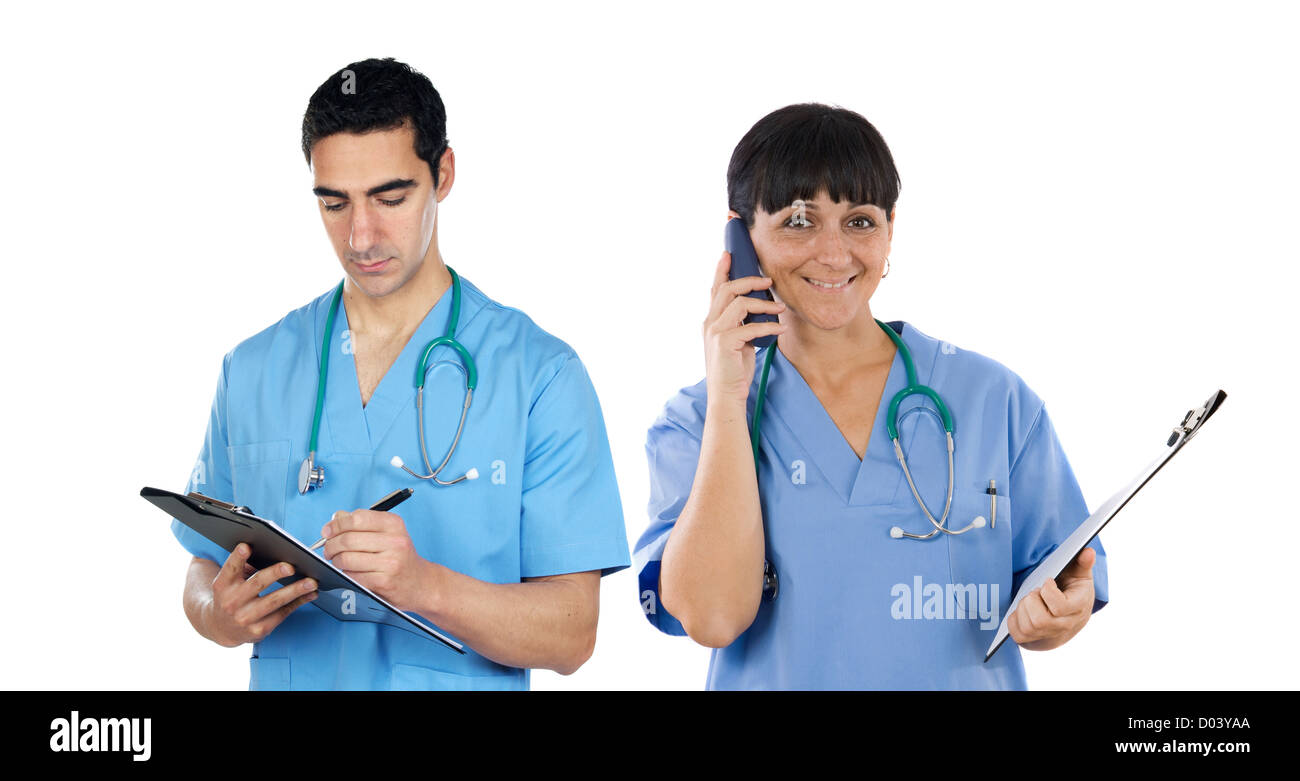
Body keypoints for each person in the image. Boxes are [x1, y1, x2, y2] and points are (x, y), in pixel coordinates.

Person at [171, 58, 630, 690]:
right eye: (334, 203)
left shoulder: (540, 376)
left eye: (390, 198)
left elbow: (573, 634)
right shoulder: (251, 370)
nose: (361, 235)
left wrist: (425, 586)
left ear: (442, 174)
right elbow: (202, 563)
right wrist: (216, 615)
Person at [633, 103, 1109, 689]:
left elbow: (1065, 581)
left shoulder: (994, 399)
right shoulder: (697, 422)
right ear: (741, 236)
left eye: (859, 221)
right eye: (798, 221)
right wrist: (732, 401)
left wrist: (1058, 618)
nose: (834, 254)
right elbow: (711, 617)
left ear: (889, 230)